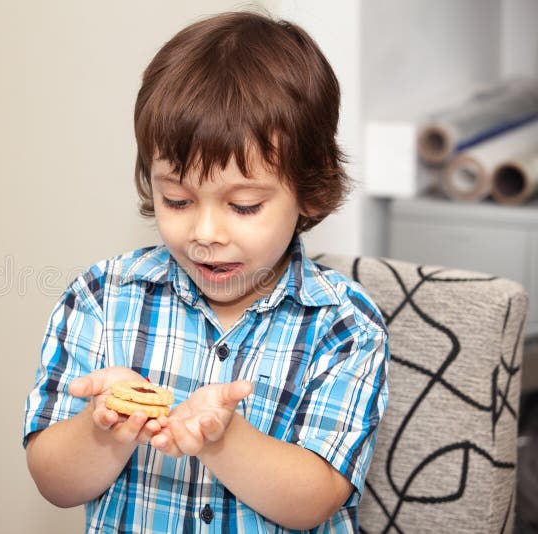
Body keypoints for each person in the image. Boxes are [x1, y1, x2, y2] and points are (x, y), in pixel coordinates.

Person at [23, 10, 388, 533]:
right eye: (177, 199)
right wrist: (102, 428)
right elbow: (53, 483)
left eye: (242, 206)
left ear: (309, 189)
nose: (206, 232)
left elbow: (315, 500)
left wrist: (224, 439)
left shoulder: (344, 325)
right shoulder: (102, 297)